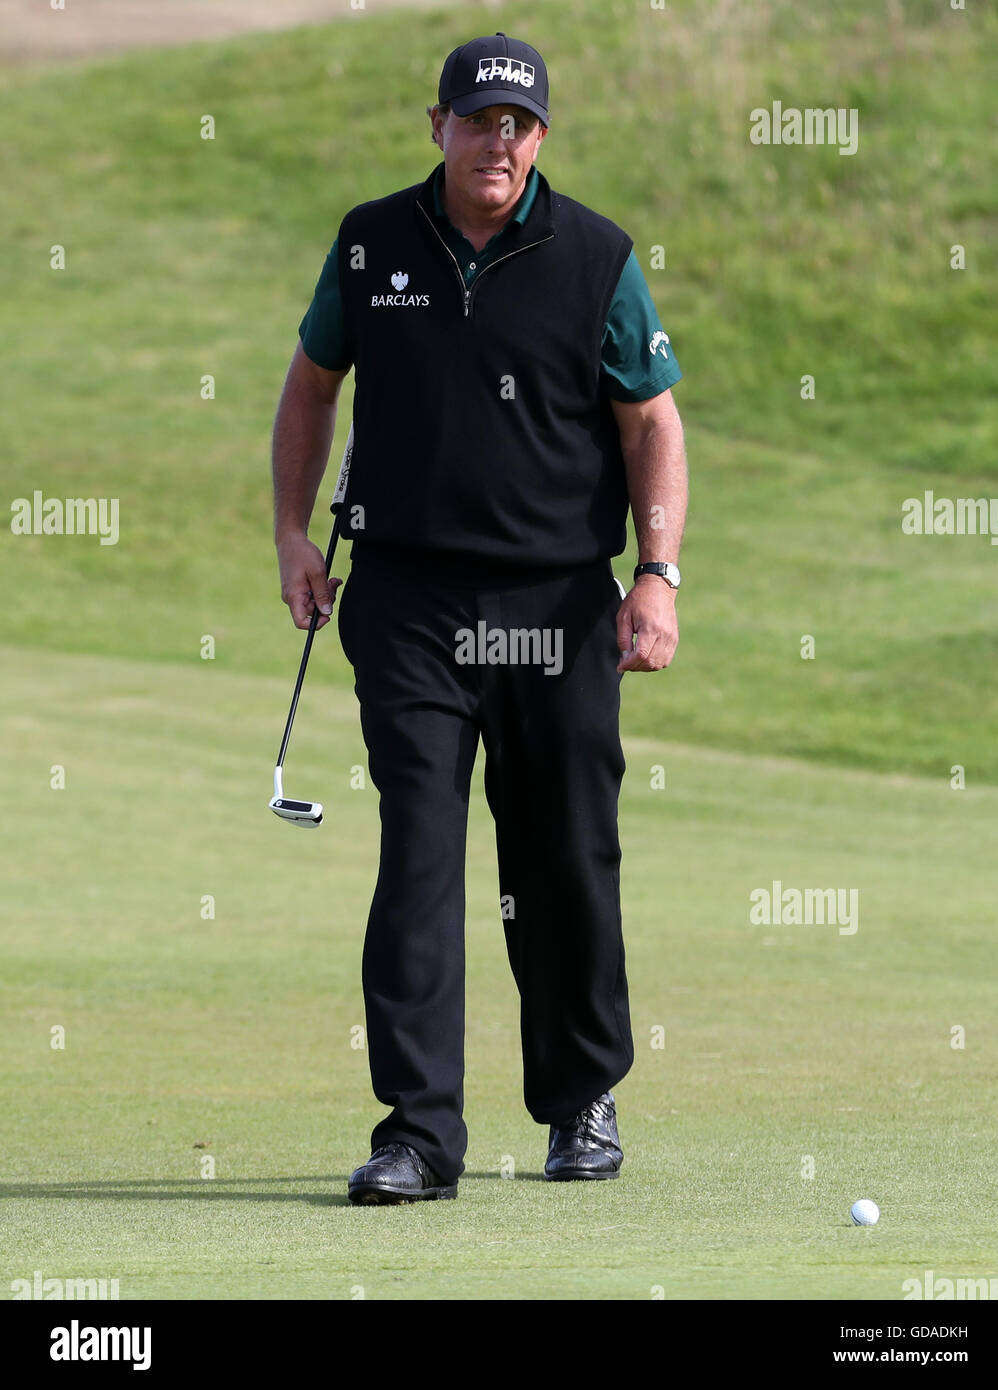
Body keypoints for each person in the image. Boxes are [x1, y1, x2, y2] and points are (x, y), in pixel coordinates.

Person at [271, 32, 687, 1204]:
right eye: (476, 120)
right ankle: (416, 1132)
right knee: (417, 852)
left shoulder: (596, 256)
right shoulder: (370, 242)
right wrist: (294, 532)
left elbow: (650, 422)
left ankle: (578, 1099)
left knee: (561, 852)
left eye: (518, 124)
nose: (496, 141)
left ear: (540, 136)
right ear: (438, 126)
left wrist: (657, 575)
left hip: (554, 604)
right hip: (405, 598)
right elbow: (312, 382)